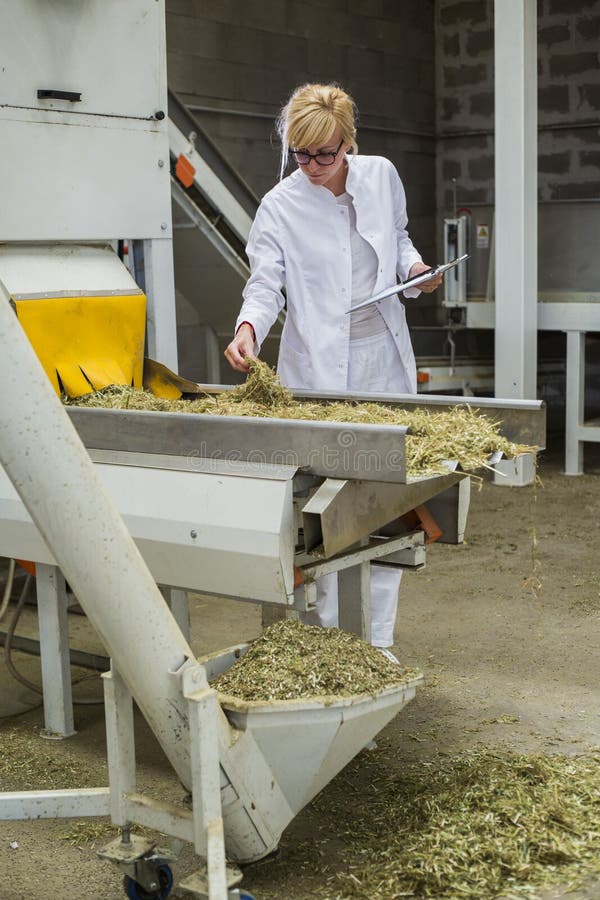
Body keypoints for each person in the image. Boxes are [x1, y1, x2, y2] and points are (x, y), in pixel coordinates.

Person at [225, 83, 442, 662]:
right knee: (323, 506)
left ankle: (378, 643)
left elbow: (396, 240)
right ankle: (329, 638)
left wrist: (416, 269)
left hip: (382, 360)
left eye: (326, 153)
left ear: (349, 141)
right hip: (319, 367)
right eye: (301, 154)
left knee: (383, 500)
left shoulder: (381, 175)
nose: (314, 166)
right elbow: (265, 284)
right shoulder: (280, 205)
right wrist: (248, 330)